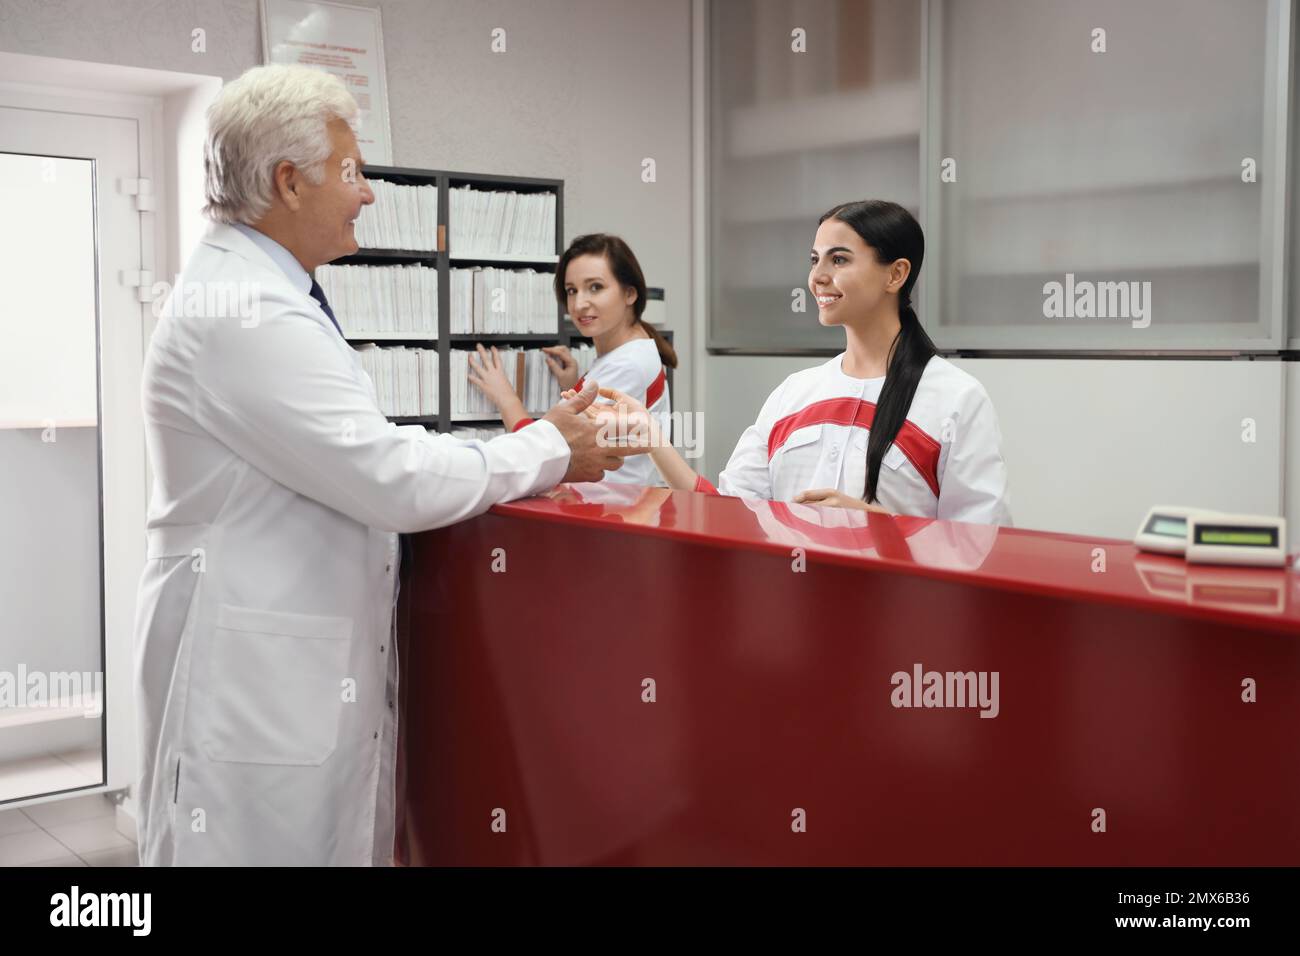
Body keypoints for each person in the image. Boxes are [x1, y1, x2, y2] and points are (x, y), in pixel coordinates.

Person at [133, 64, 641, 866]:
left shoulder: (273, 295)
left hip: (290, 678)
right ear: (289, 182)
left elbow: (360, 447)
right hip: (255, 689)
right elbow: (387, 477)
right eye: (353, 171)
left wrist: (517, 445)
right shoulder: (246, 310)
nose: (367, 192)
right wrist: (549, 446)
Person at [590, 200, 1012, 525]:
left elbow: (983, 545)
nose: (818, 277)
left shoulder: (956, 398)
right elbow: (727, 515)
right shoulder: (793, 393)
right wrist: (652, 438)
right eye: (815, 260)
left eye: (839, 259)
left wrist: (883, 528)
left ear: (896, 274)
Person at [468, 233, 675, 487]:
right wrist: (576, 384)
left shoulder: (627, 365)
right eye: (571, 290)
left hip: (611, 512)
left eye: (595, 287)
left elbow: (543, 455)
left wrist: (505, 398)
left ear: (630, 294)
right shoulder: (630, 351)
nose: (579, 303)